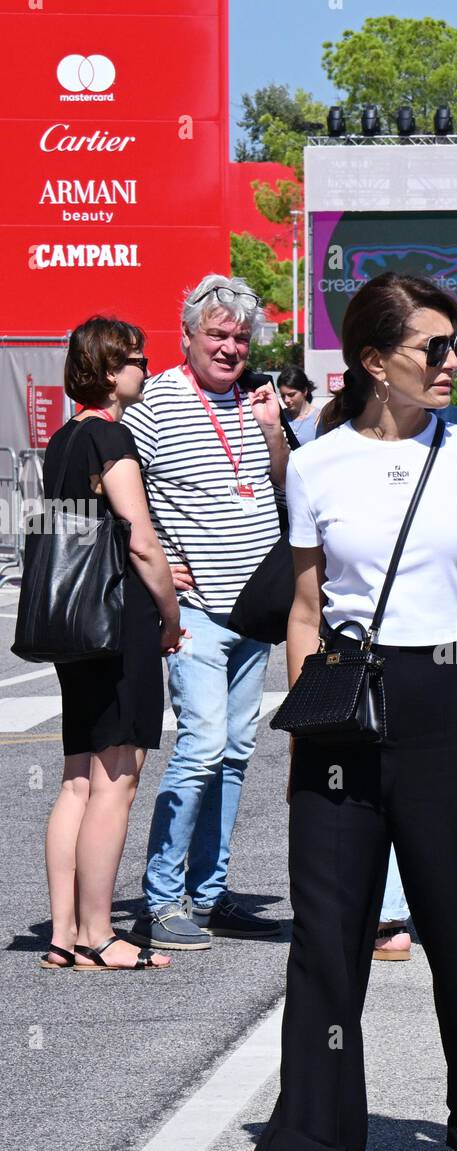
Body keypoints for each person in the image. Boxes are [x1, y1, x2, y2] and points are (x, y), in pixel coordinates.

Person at [243, 272, 457, 1151]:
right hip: (345, 702)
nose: (454, 363)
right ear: (374, 363)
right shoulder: (317, 464)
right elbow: (302, 609)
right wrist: (304, 727)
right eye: (434, 348)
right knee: (326, 940)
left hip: (453, 703)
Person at [124, 274, 290, 951]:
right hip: (193, 613)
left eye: (239, 339)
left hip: (255, 613)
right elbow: (116, 492)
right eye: (216, 335)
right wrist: (160, 563)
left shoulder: (257, 401)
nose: (228, 348)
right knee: (200, 749)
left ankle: (211, 891)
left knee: (235, 754)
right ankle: (162, 898)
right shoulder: (157, 403)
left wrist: (274, 432)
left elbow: (281, 486)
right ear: (186, 334)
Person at [39, 318, 179, 972]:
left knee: (76, 780)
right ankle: (101, 932)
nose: (146, 370)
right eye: (136, 360)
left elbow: (75, 534)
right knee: (116, 780)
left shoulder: (64, 440)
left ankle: (64, 933)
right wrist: (170, 612)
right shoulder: (111, 436)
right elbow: (140, 539)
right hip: (119, 622)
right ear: (107, 369)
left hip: (73, 624)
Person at [277, 365, 319, 446]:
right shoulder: (279, 417)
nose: (286, 400)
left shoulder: (319, 418)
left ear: (304, 391)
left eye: (291, 394)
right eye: (283, 396)